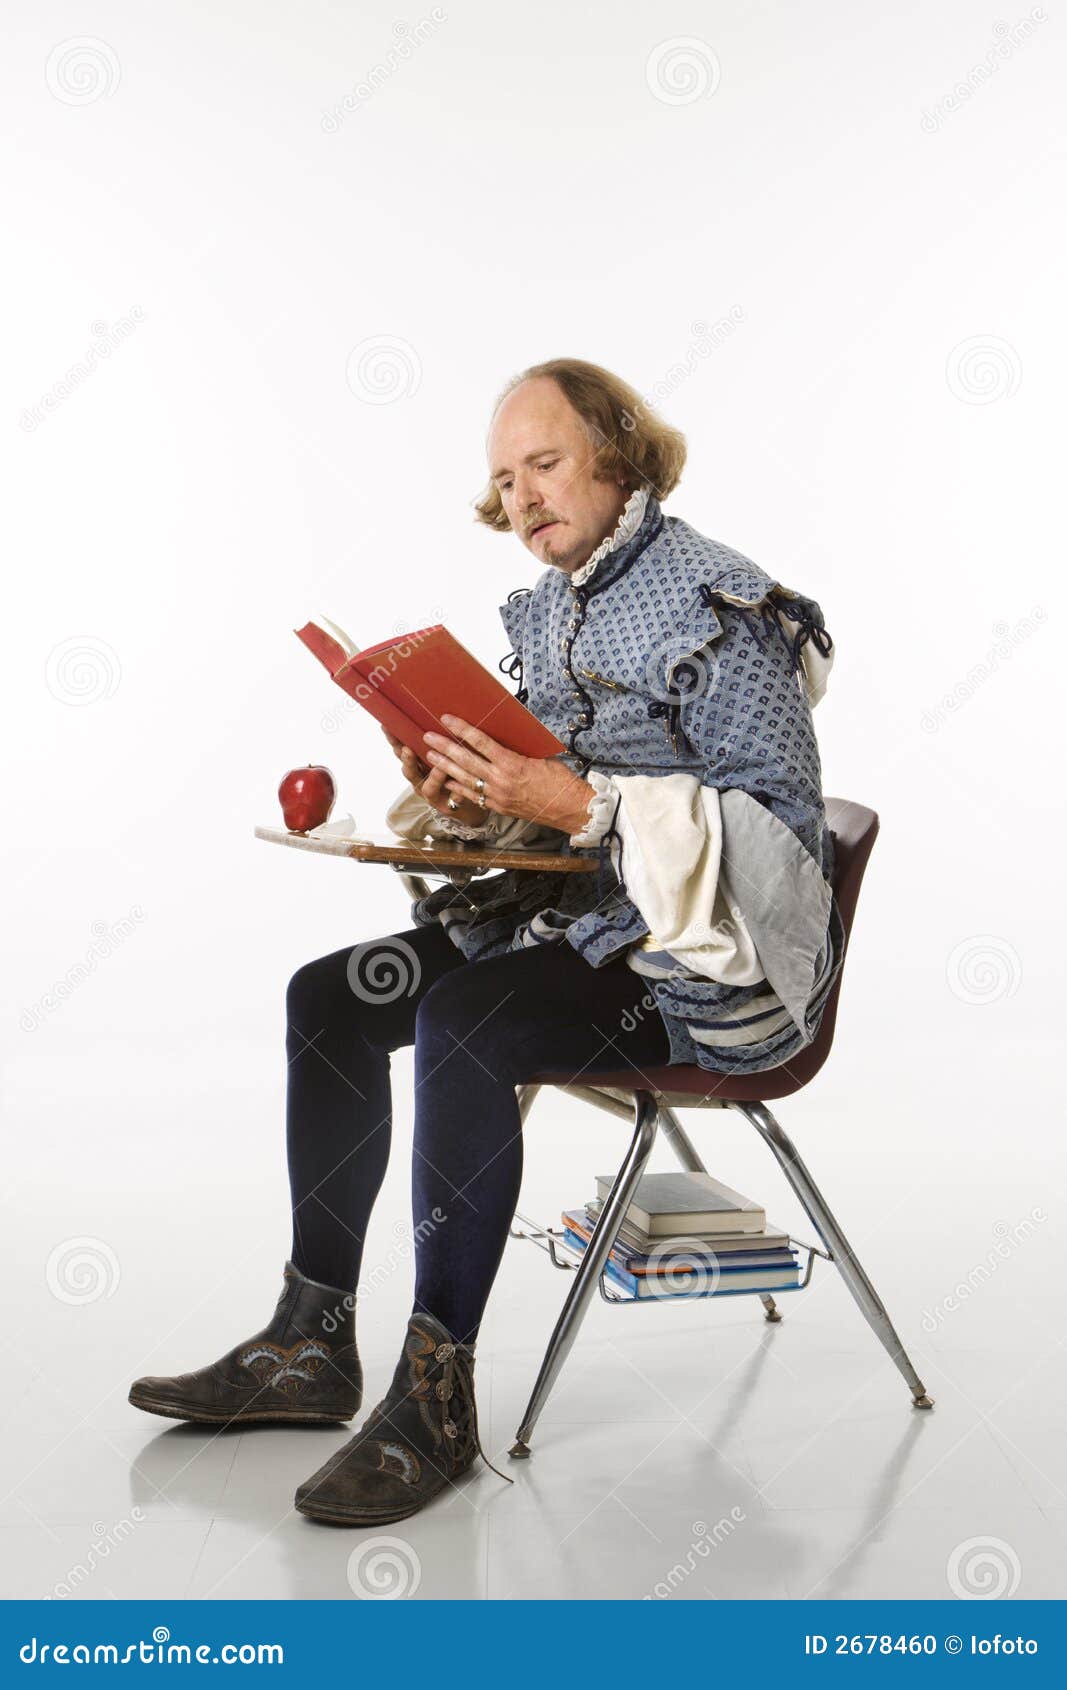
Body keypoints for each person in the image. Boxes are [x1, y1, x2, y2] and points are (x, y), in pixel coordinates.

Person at [129, 358, 843, 1529]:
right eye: (504, 478)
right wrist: (473, 793)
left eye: (545, 463)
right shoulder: (557, 608)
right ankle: (311, 1343)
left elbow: (779, 834)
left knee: (459, 1022)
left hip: (681, 966)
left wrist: (578, 805)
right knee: (329, 995)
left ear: (617, 452)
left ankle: (435, 1396)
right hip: (565, 922)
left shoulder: (721, 603)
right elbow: (560, 800)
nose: (521, 496)